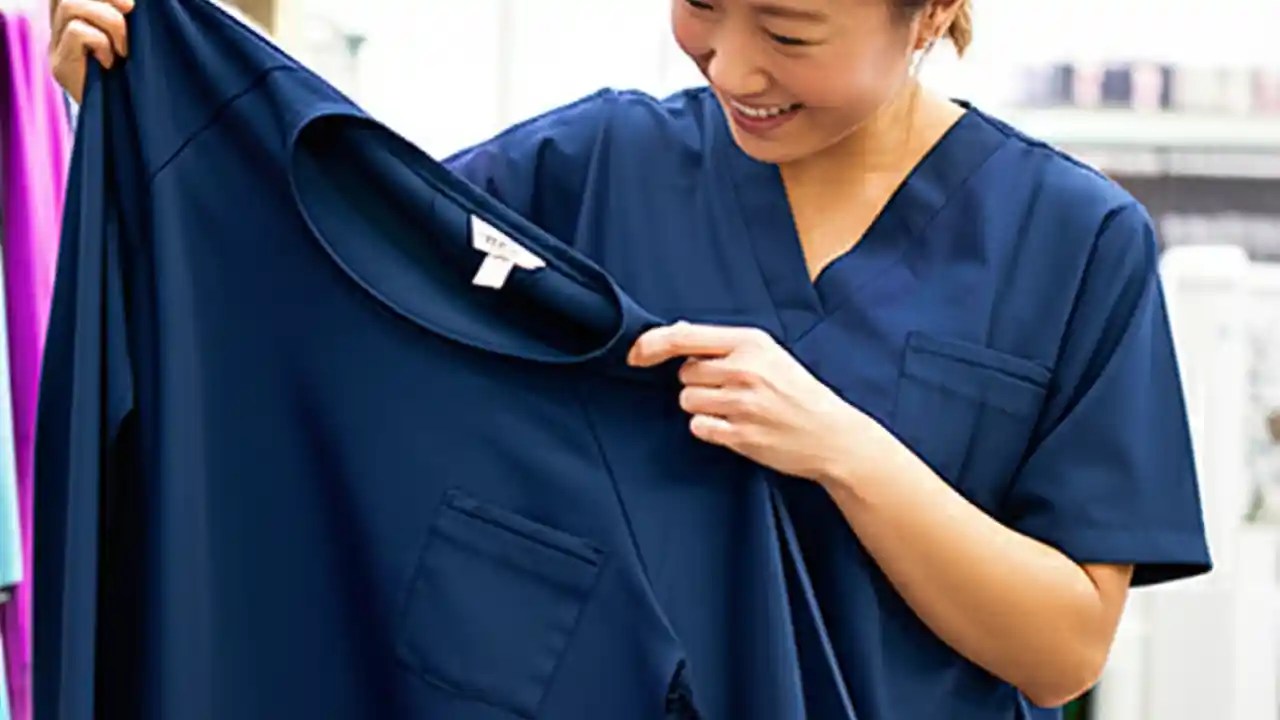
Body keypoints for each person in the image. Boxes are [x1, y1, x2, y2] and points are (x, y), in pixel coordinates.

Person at [49, 0, 1212, 718]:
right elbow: (311, 271)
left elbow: (1061, 650)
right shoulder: (591, 165)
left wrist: (846, 452)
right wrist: (131, 110)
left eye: (791, 32)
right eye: (701, 4)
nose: (732, 67)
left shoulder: (1070, 239)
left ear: (928, 14)